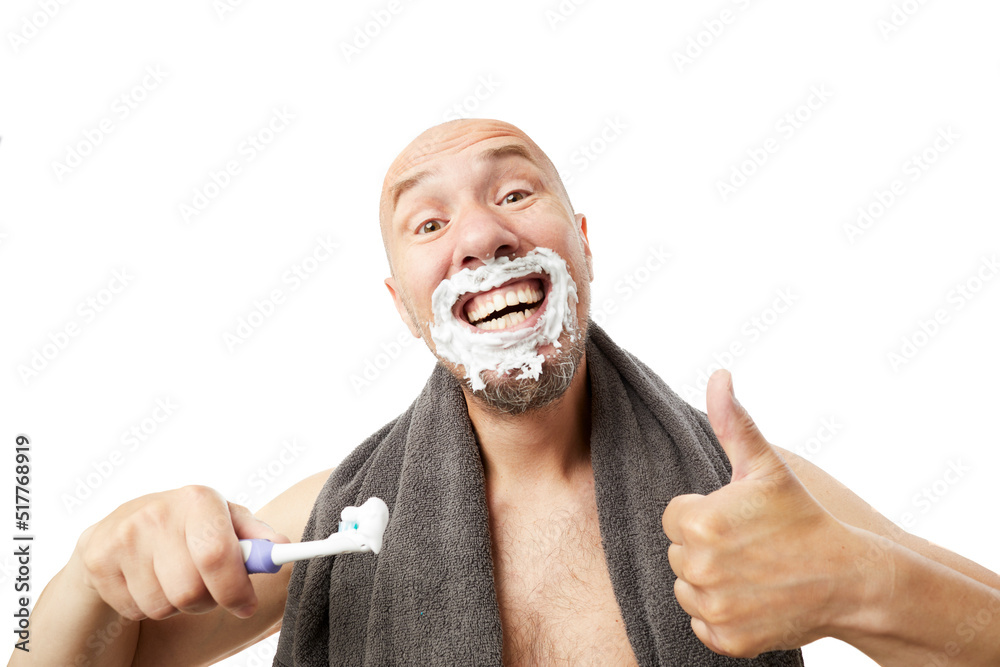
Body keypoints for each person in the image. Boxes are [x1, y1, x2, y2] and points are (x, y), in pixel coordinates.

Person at [16, 119, 1000, 666]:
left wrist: (853, 584)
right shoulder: (340, 522)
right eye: (427, 222)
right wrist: (88, 582)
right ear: (404, 305)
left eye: (515, 193)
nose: (481, 235)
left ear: (582, 241)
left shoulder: (753, 500)